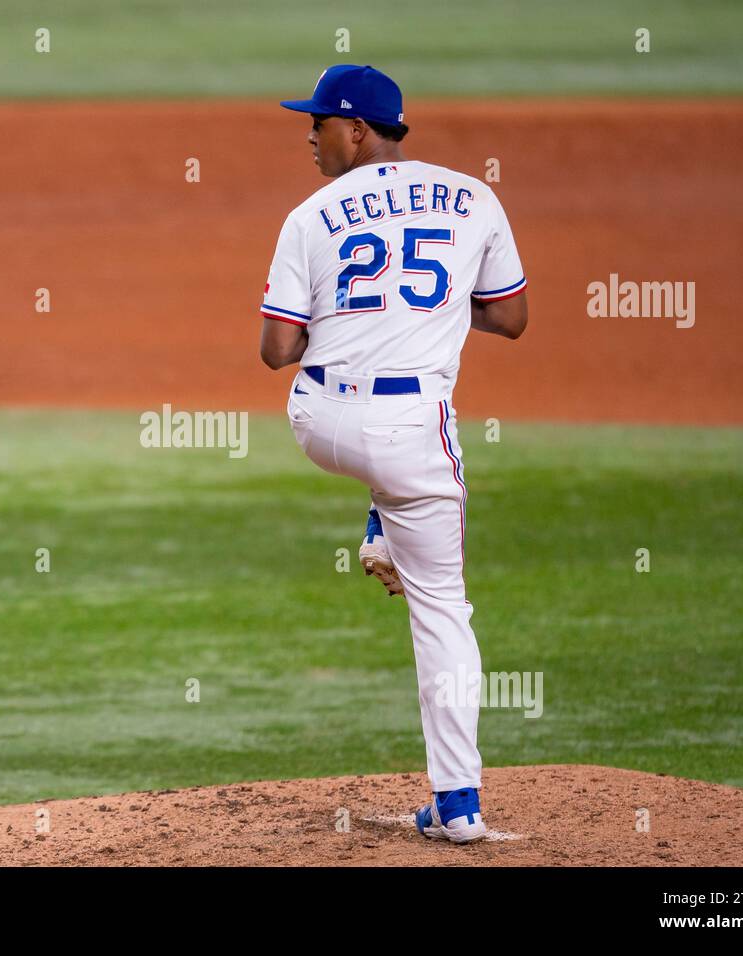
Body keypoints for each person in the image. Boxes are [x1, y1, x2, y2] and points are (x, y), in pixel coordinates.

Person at [258, 64, 529, 843]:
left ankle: (381, 521)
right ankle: (459, 804)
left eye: (316, 124)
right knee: (442, 608)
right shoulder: (475, 197)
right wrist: (437, 309)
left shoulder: (309, 215)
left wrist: (345, 318)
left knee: (380, 458)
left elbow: (278, 349)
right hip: (413, 434)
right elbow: (510, 318)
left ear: (354, 130)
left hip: (318, 424)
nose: (309, 137)